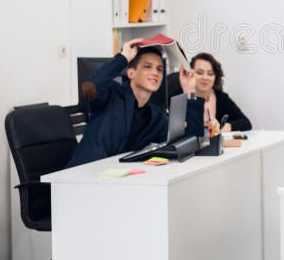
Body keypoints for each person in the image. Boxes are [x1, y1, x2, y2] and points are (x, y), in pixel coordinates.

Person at [68, 39, 204, 167]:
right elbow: (90, 87)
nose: (155, 73)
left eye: (159, 69)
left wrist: (189, 91)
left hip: (121, 179)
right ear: (131, 73)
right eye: (147, 67)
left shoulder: (156, 116)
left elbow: (190, 143)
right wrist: (123, 58)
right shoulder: (112, 95)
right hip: (86, 174)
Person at [180, 52, 252, 133]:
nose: (205, 77)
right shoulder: (183, 95)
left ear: (215, 77)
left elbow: (246, 123)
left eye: (210, 74)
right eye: (200, 73)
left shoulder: (220, 97)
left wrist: (227, 126)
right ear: (190, 73)